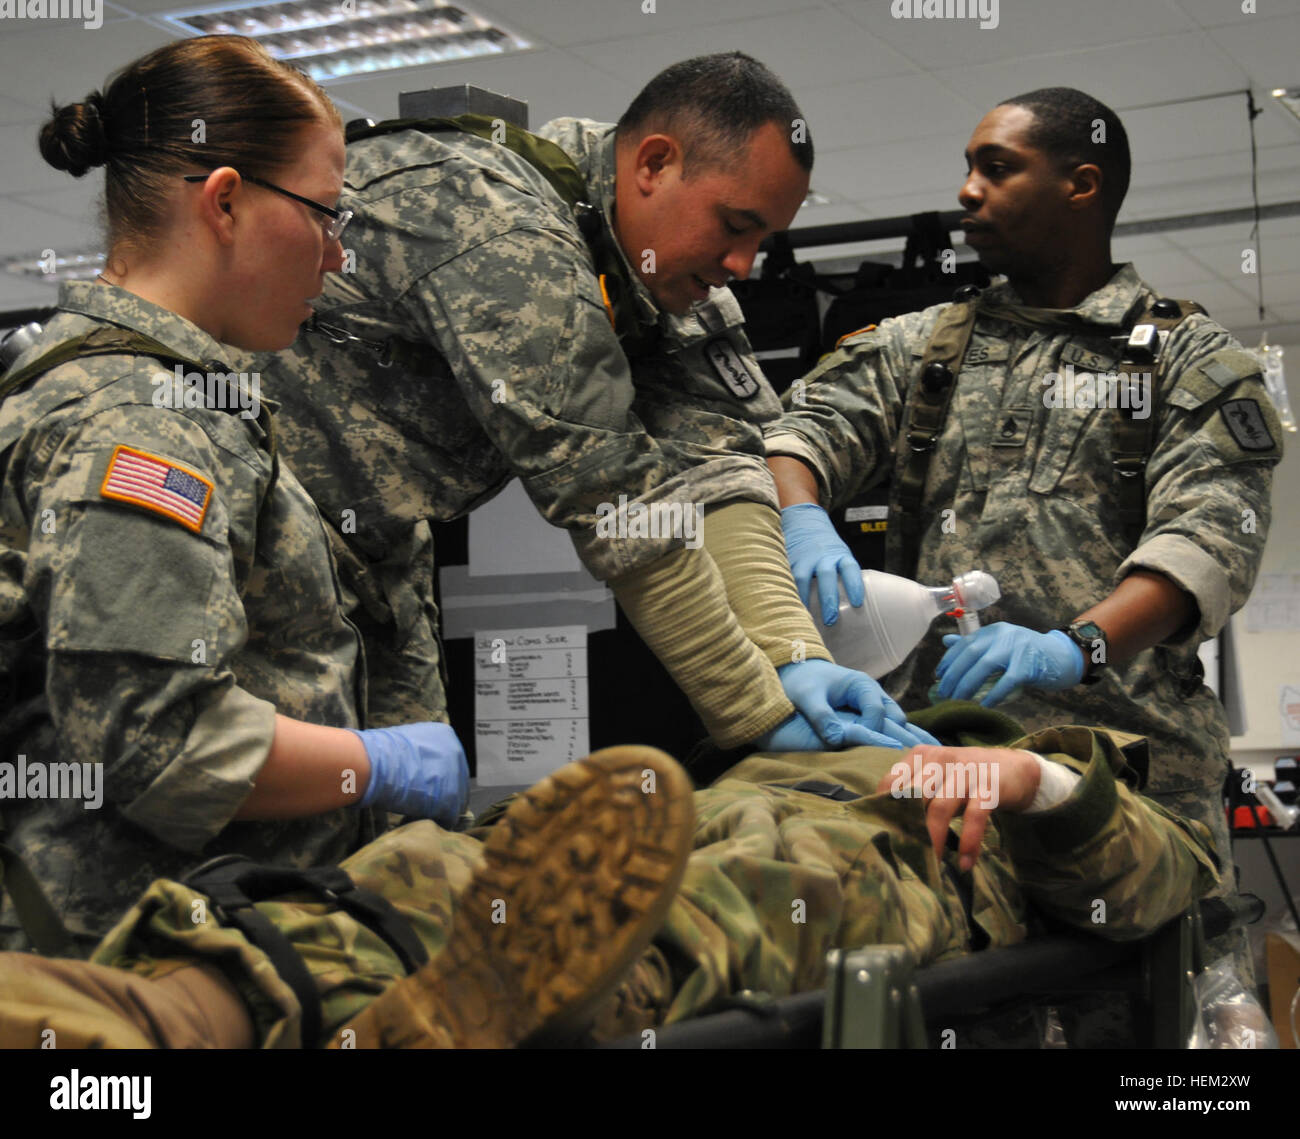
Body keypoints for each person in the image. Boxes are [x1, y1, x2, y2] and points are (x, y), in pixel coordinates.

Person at [259, 51, 935, 759]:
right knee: (286, 836)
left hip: (382, 559)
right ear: (653, 164)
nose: (744, 264)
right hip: (271, 550)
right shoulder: (499, 225)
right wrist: (756, 712)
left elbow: (723, 466)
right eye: (735, 226)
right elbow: (612, 500)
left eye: (763, 238)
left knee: (403, 836)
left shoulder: (663, 272)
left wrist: (798, 657)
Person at [763, 88, 1282, 972]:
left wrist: (1076, 646)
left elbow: (1207, 542)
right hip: (950, 769)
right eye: (969, 168)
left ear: (1081, 185)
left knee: (1148, 1060)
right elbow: (793, 434)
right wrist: (804, 514)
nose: (967, 191)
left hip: (1131, 791)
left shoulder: (1191, 365)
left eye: (996, 169)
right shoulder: (927, 348)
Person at [0, 36, 468, 954]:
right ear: (224, 201)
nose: (337, 257)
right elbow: (161, 742)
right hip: (138, 961)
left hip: (202, 937)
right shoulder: (135, 417)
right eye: (323, 216)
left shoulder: (170, 392)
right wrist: (374, 766)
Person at [0, 702, 1221, 1048]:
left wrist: (1032, 782)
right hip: (702, 823)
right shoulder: (835, 732)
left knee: (676, 929)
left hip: (865, 880)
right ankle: (162, 1017)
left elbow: (1144, 895)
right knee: (427, 867)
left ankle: (148, 1020)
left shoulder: (1069, 775)